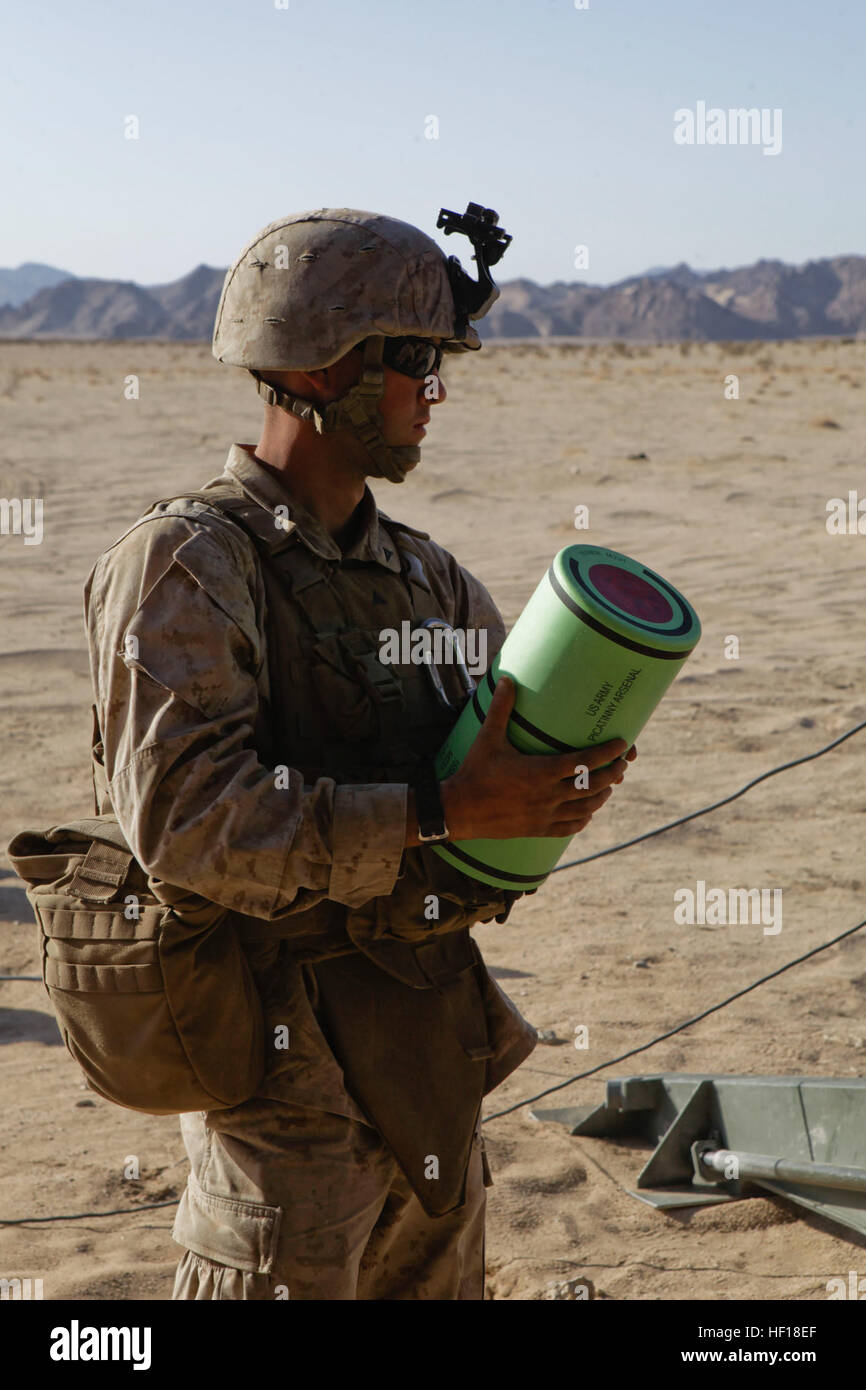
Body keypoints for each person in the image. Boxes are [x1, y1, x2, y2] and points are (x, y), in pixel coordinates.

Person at [83, 206, 633, 1300]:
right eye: (416, 362)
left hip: (430, 1076)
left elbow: (481, 806)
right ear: (322, 368)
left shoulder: (432, 582)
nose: (437, 393)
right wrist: (438, 812)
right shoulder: (186, 564)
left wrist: (544, 793)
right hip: (287, 1120)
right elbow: (188, 827)